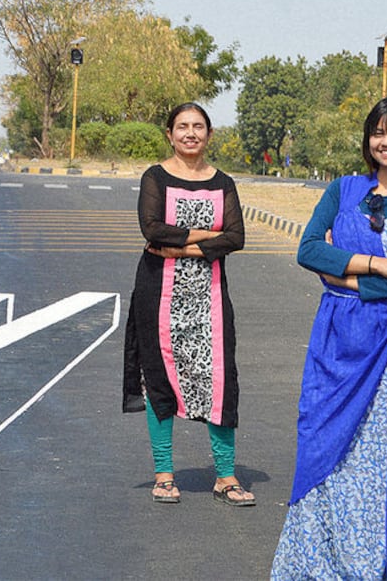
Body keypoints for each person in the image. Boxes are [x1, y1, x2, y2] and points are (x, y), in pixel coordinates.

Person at [271, 95, 387, 579]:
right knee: (322, 446)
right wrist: (379, 264)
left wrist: (341, 276)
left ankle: (380, 565)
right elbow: (309, 250)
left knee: (384, 455)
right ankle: (319, 564)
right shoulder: (343, 189)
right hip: (335, 343)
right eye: (378, 132)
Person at [122, 102, 253, 506]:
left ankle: (225, 476)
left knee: (219, 379)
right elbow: (152, 229)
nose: (190, 133)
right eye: (182, 126)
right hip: (159, 295)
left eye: (198, 126)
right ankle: (164, 474)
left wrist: (183, 248)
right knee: (157, 377)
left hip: (208, 298)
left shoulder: (223, 183)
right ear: (170, 134)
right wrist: (209, 235)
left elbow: (236, 237)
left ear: (209, 134)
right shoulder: (155, 177)